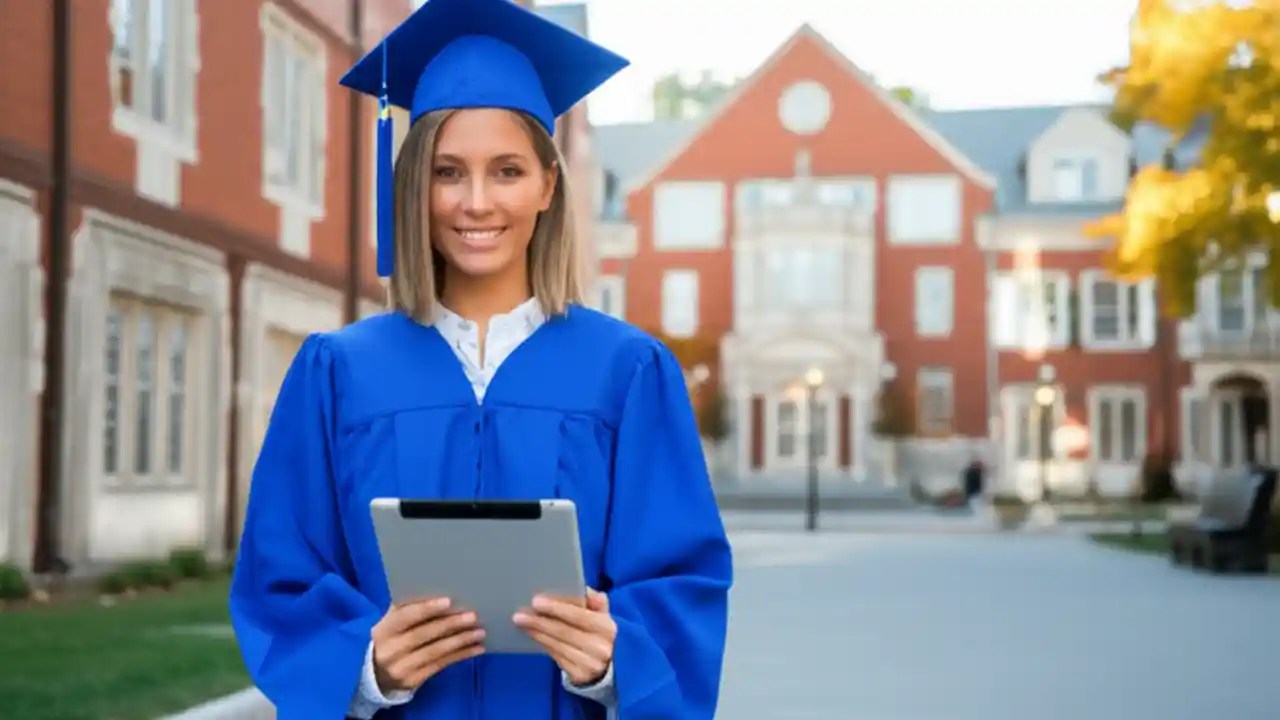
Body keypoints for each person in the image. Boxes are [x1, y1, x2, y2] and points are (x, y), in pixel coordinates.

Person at [227, 0, 733, 718]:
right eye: (447, 172)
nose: (475, 203)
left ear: (547, 185)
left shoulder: (628, 373)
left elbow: (681, 581)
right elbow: (281, 575)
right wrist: (366, 667)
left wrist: (614, 660)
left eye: (507, 171)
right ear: (415, 186)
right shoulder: (338, 372)